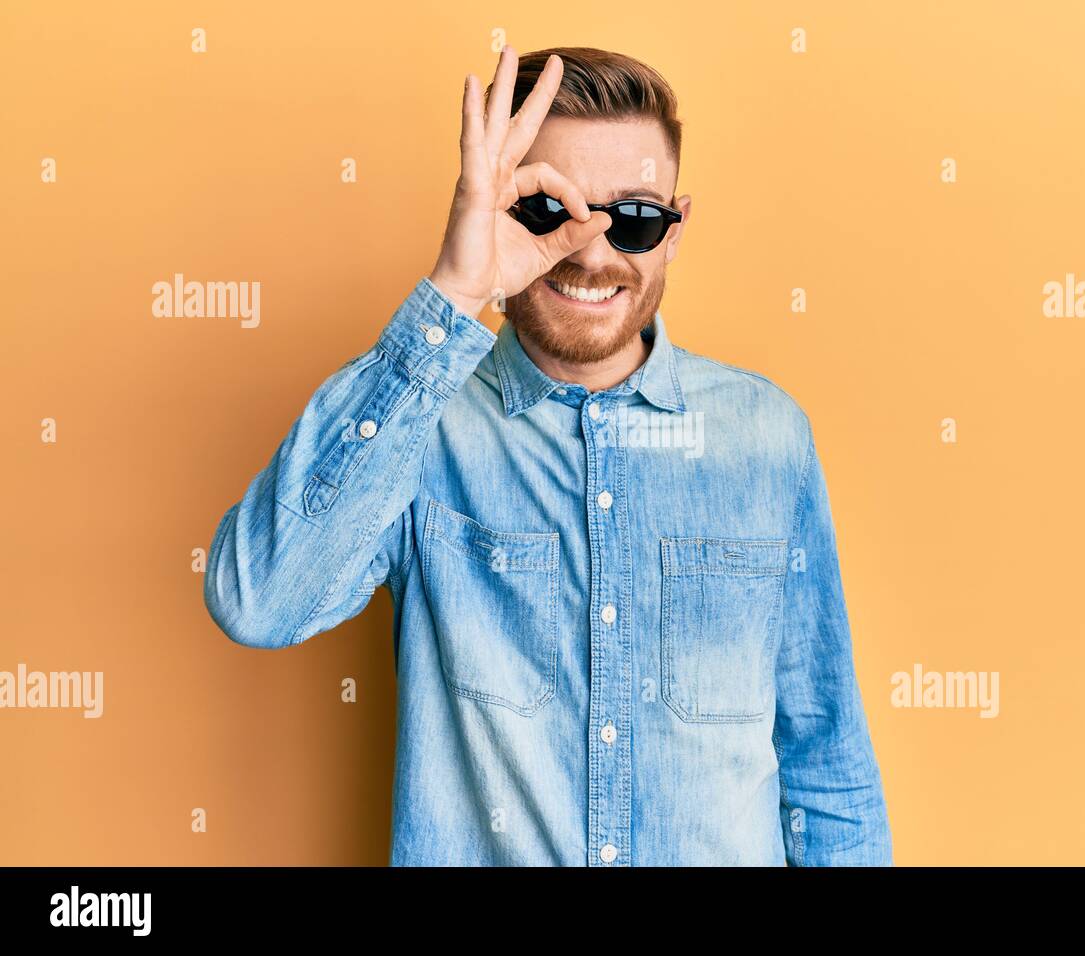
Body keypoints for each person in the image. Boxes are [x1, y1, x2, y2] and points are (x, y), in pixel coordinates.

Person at [204, 45, 892, 866]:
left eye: (633, 217)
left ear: (675, 231)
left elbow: (826, 763)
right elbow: (260, 601)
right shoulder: (420, 432)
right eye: (545, 210)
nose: (590, 253)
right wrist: (457, 291)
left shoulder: (767, 436)